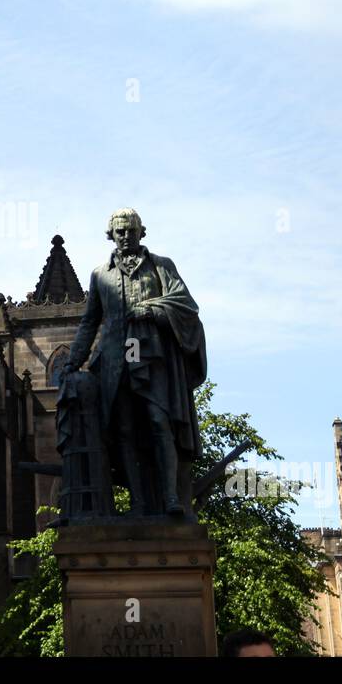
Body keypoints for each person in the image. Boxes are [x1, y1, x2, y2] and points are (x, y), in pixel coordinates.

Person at [63, 208, 207, 517]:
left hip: (152, 358)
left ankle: (171, 499)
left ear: (141, 232)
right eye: (120, 231)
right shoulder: (100, 274)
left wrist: (153, 311)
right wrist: (72, 363)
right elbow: (90, 322)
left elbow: (185, 305)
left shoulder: (160, 266)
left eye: (131, 230)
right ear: (111, 235)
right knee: (123, 430)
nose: (125, 236)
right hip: (114, 360)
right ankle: (139, 503)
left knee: (159, 421)